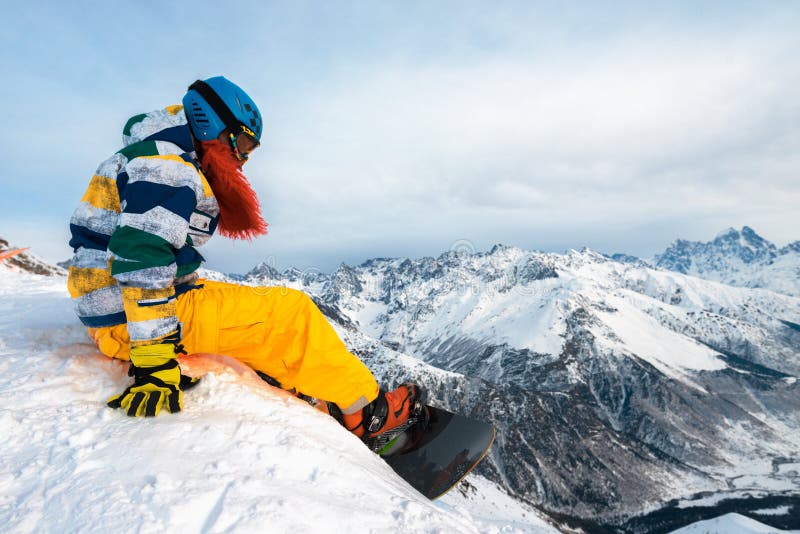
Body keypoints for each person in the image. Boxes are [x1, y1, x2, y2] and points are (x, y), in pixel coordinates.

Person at [67, 76, 423, 452]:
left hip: (117, 307)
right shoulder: (167, 167)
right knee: (291, 314)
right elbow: (142, 256)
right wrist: (155, 360)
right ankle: (368, 415)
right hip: (125, 319)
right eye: (244, 142)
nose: (244, 157)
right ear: (213, 126)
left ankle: (317, 390)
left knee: (257, 310)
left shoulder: (156, 155)